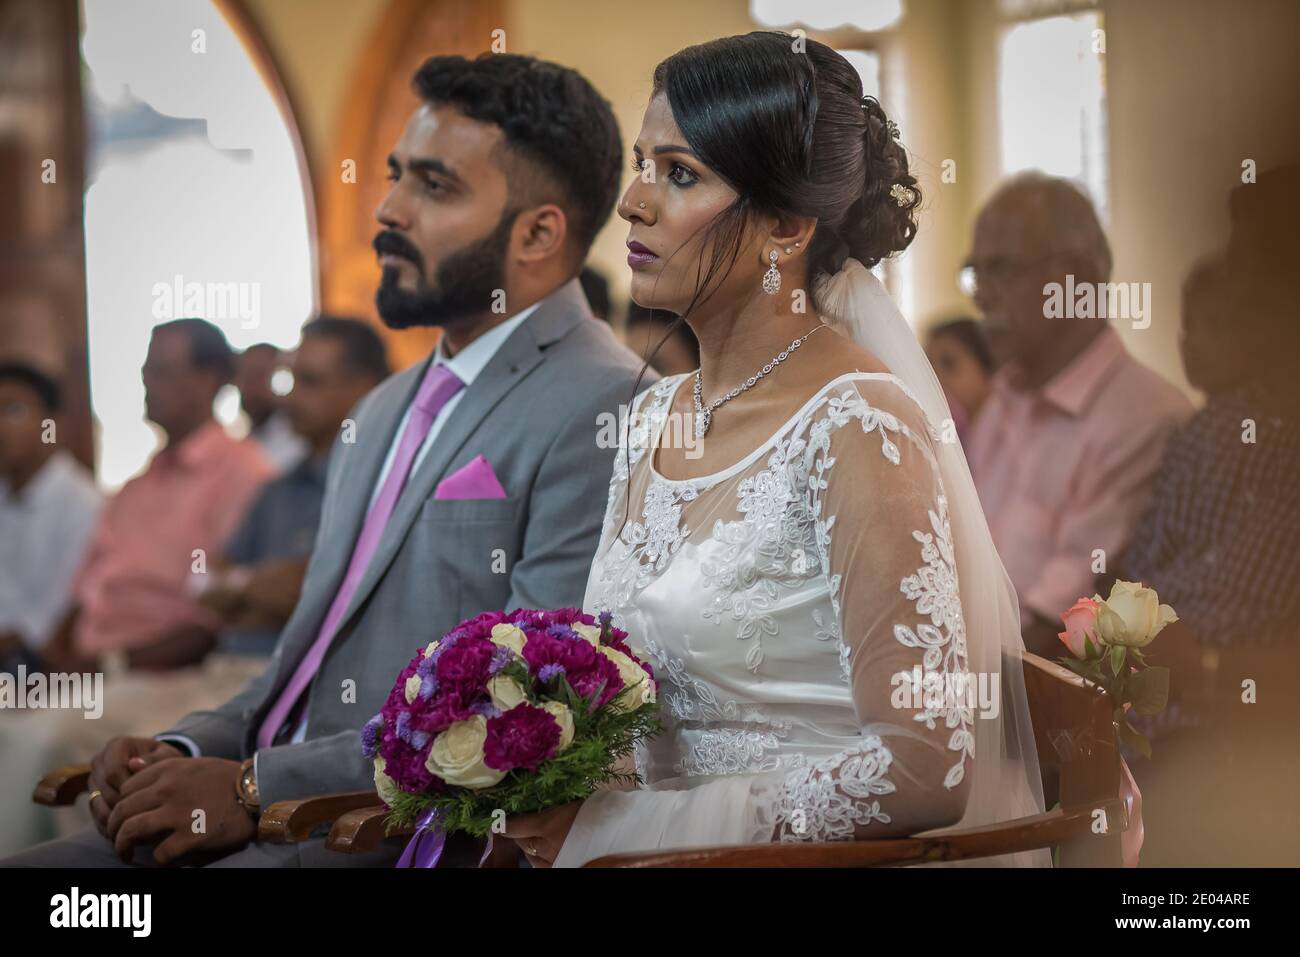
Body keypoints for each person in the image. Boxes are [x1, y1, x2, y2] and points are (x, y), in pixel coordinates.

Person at [5, 52, 650, 868]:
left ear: (538, 232)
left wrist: (252, 787)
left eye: (435, 186)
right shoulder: (382, 408)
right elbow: (300, 662)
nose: (389, 209)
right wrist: (179, 743)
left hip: (378, 827)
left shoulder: (606, 401)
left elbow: (525, 710)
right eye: (395, 177)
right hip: (269, 795)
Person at [499, 32, 1077, 869]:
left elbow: (925, 766)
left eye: (680, 173)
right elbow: (627, 704)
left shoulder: (857, 424)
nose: (633, 201)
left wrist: (630, 833)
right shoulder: (655, 412)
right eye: (641, 164)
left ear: (785, 226)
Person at [961, 173, 1192, 657]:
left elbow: (1059, 628)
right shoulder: (1005, 397)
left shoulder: (1145, 418)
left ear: (1077, 277)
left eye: (1000, 269)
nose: (980, 297)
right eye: (974, 273)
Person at [41, 319, 274, 674]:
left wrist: (108, 666)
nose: (147, 383)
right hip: (90, 670)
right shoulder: (138, 485)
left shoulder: (243, 474)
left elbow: (216, 621)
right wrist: (48, 664)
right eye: (146, 371)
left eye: (161, 371)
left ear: (208, 380)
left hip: (164, 675)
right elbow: (85, 590)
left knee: (25, 732)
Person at [201, 317, 390, 655]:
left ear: (365, 388)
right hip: (234, 675)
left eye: (310, 382)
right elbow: (206, 586)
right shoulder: (278, 490)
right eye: (289, 380)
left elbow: (332, 602)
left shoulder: (385, 483)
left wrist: (250, 595)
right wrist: (255, 584)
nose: (289, 398)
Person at [0, 362, 102, 670]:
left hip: (33, 665)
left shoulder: (82, 504)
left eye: (13, 410)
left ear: (51, 425)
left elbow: (46, 627)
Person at [234, 343, 307, 472]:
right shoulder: (240, 441)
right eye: (243, 377)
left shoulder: (299, 443)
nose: (249, 388)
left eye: (258, 375)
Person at [923, 316, 995, 444]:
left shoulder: (1010, 433)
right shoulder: (944, 434)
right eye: (931, 369)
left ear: (987, 367)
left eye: (949, 364)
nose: (938, 379)